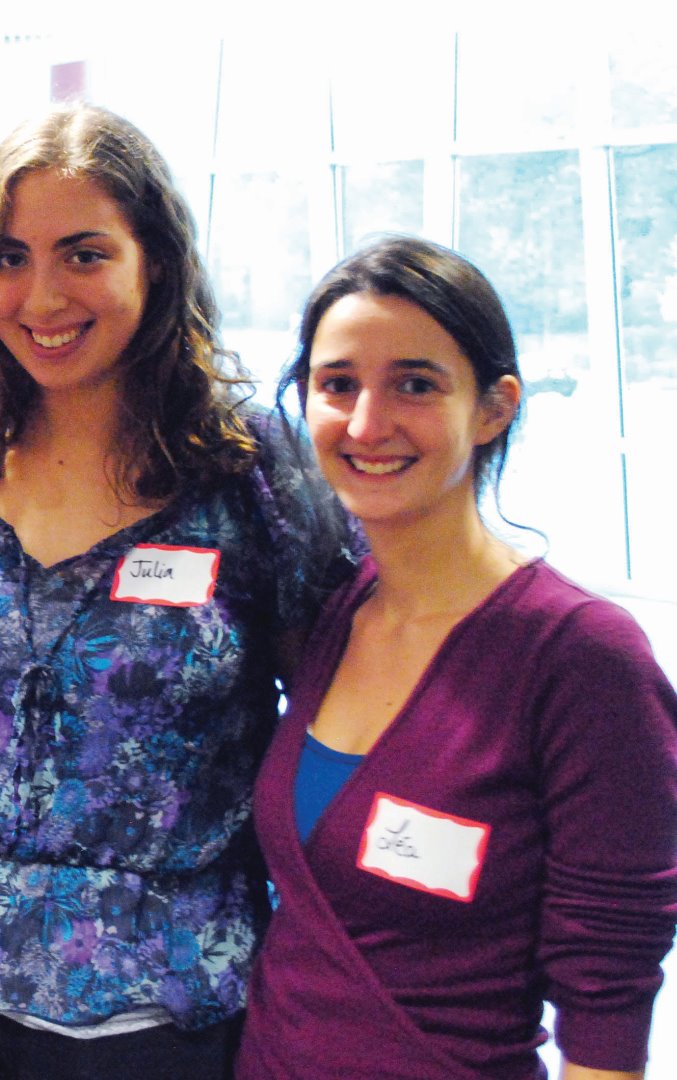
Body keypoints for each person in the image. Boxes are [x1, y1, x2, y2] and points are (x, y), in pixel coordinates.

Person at [0, 103, 359, 1078]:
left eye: (83, 254)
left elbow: (327, 729)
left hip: (158, 1013)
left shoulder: (252, 470)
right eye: (7, 258)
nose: (41, 295)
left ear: (156, 262)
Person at [235, 237, 677, 1079]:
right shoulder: (338, 615)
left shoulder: (580, 659)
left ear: (493, 407)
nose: (366, 423)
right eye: (337, 385)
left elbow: (607, 1007)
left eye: (413, 384)